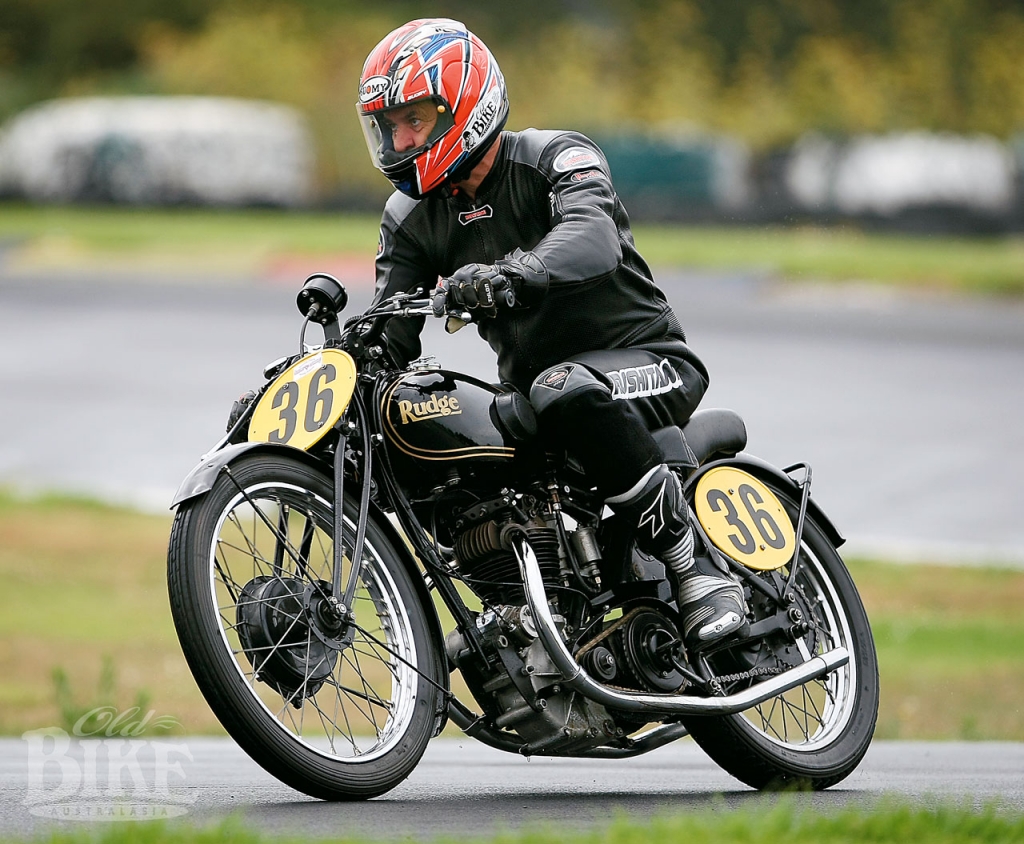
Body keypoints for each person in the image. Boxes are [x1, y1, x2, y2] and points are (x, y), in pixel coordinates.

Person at [358, 18, 746, 649]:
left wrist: (512, 275)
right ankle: (519, 608)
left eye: (414, 120)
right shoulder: (410, 217)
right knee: (414, 420)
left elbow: (593, 237)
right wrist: (324, 380)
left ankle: (691, 559)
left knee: (561, 386)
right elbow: (388, 332)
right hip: (536, 395)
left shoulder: (555, 156)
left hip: (650, 361)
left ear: (464, 106)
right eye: (389, 125)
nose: (399, 139)